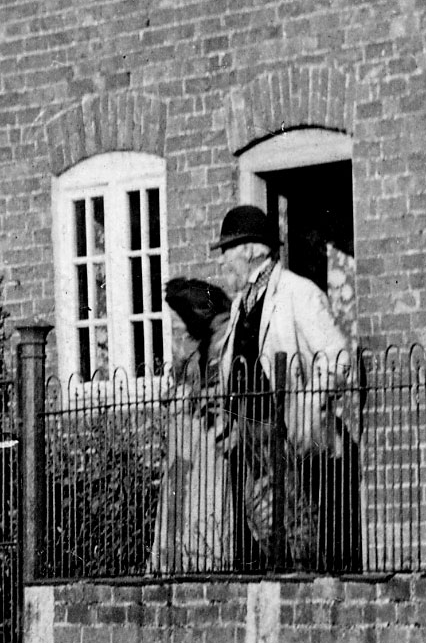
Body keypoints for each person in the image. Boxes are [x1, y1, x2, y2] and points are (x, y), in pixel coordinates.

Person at [206, 204, 356, 572]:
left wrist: (309, 404)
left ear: (250, 250)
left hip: (288, 436)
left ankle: (310, 588)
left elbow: (338, 357)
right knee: (265, 526)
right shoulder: (241, 304)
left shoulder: (296, 292)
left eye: (227, 250)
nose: (222, 261)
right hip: (251, 438)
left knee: (300, 529)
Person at [145, 274, 232, 573]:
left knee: (206, 505)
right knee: (183, 507)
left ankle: (206, 565)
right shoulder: (199, 347)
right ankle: (180, 564)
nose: (177, 327)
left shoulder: (223, 341)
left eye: (180, 319)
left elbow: (222, 392)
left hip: (209, 442)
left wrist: (191, 397)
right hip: (189, 444)